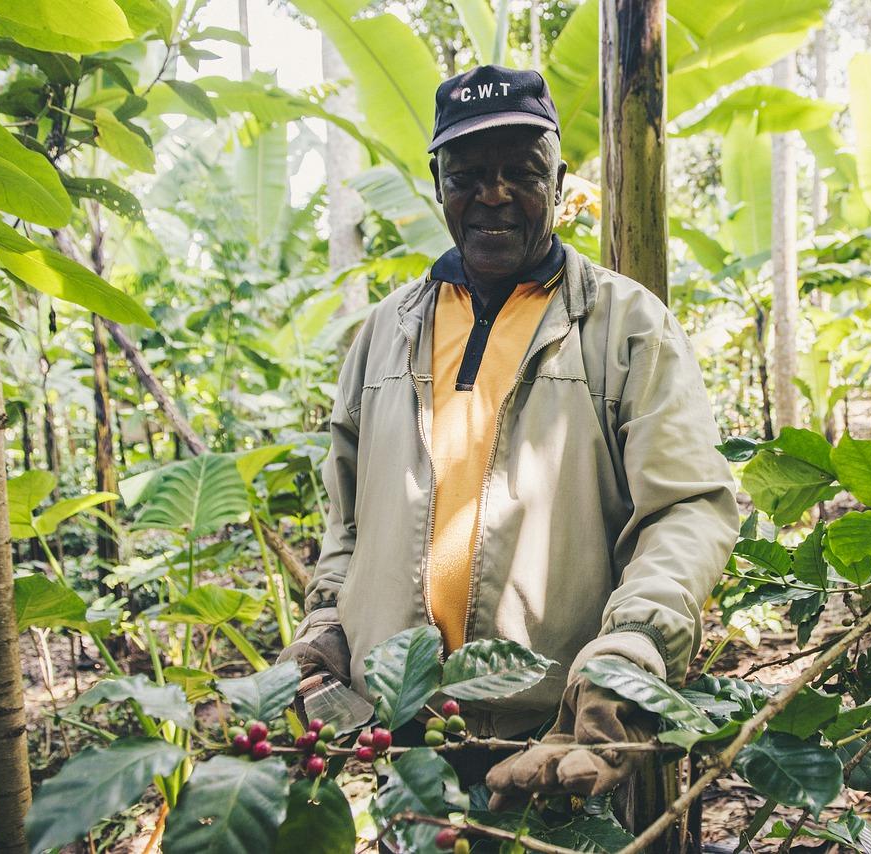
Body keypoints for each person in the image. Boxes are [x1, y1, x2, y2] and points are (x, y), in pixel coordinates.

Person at [278, 64, 737, 810]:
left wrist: (632, 650)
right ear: (438, 184)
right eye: (468, 176)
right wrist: (328, 620)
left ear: (557, 181)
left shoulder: (626, 325)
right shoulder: (385, 332)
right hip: (410, 734)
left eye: (520, 173)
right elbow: (349, 519)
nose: (493, 195)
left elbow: (686, 507)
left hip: (563, 732)